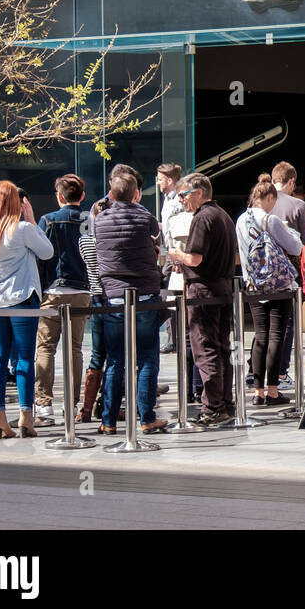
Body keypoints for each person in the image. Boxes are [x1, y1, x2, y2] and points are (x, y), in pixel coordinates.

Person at [0, 180, 54, 438]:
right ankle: (26, 416)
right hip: (21, 298)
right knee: (25, 357)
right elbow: (47, 252)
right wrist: (30, 218)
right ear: (17, 204)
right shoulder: (23, 229)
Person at [93, 167, 166, 434]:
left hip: (113, 296)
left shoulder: (99, 220)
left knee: (115, 359)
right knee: (147, 357)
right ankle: (146, 417)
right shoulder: (145, 216)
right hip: (145, 294)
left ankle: (108, 421)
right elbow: (157, 245)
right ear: (136, 193)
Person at [167, 173, 238, 428]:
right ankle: (224, 404)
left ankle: (213, 408)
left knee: (205, 348)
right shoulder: (224, 216)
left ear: (198, 193)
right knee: (221, 347)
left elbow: (195, 259)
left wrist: (177, 254)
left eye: (184, 195)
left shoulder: (203, 217)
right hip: (222, 289)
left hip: (203, 292)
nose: (181, 201)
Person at [236, 175, 302, 406]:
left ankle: (258, 391)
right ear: (270, 198)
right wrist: (290, 232)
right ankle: (273, 390)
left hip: (253, 285)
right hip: (277, 286)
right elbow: (296, 247)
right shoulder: (270, 220)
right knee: (276, 336)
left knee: (260, 337)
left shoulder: (241, 221)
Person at [32, 174, 91, 427]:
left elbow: (38, 256)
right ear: (82, 196)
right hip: (81, 291)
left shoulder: (47, 220)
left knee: (46, 347)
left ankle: (44, 405)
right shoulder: (90, 219)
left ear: (59, 196)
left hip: (53, 291)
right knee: (75, 348)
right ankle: (72, 403)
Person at [268, 161, 305, 387]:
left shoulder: (260, 202)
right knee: (286, 324)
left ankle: (258, 373)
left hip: (262, 273)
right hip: (290, 272)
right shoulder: (298, 205)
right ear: (292, 181)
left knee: (264, 326)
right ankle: (281, 373)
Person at [76, 197, 109, 423]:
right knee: (117, 355)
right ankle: (108, 406)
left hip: (95, 298)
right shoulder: (113, 239)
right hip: (114, 297)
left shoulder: (84, 242)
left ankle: (85, 410)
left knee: (97, 355)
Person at [156, 163, 183, 353]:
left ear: (170, 180)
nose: (157, 182)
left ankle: (176, 338)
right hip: (168, 251)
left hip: (175, 253)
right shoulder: (167, 199)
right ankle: (174, 337)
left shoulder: (178, 201)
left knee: (170, 293)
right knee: (167, 293)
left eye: (159, 179)